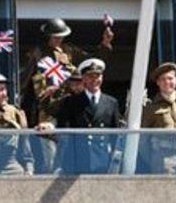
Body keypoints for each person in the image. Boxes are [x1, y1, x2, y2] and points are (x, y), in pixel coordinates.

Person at [19, 17, 113, 173]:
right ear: (48, 36)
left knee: (70, 155)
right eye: (55, 36)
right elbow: (25, 79)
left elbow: (91, 63)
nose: (58, 39)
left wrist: (105, 44)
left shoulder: (69, 51)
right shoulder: (37, 53)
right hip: (48, 110)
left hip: (71, 108)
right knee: (50, 158)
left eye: (61, 36)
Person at [38, 58, 123, 174]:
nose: (94, 80)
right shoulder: (71, 102)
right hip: (77, 161)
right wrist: (50, 125)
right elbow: (62, 124)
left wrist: (115, 161)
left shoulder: (111, 103)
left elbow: (115, 135)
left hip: (102, 161)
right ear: (83, 79)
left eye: (97, 76)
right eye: (90, 77)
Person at [140, 62, 176, 174]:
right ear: (158, 83)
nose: (167, 82)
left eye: (170, 78)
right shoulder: (151, 108)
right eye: (163, 79)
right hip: (162, 160)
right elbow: (143, 141)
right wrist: (154, 160)